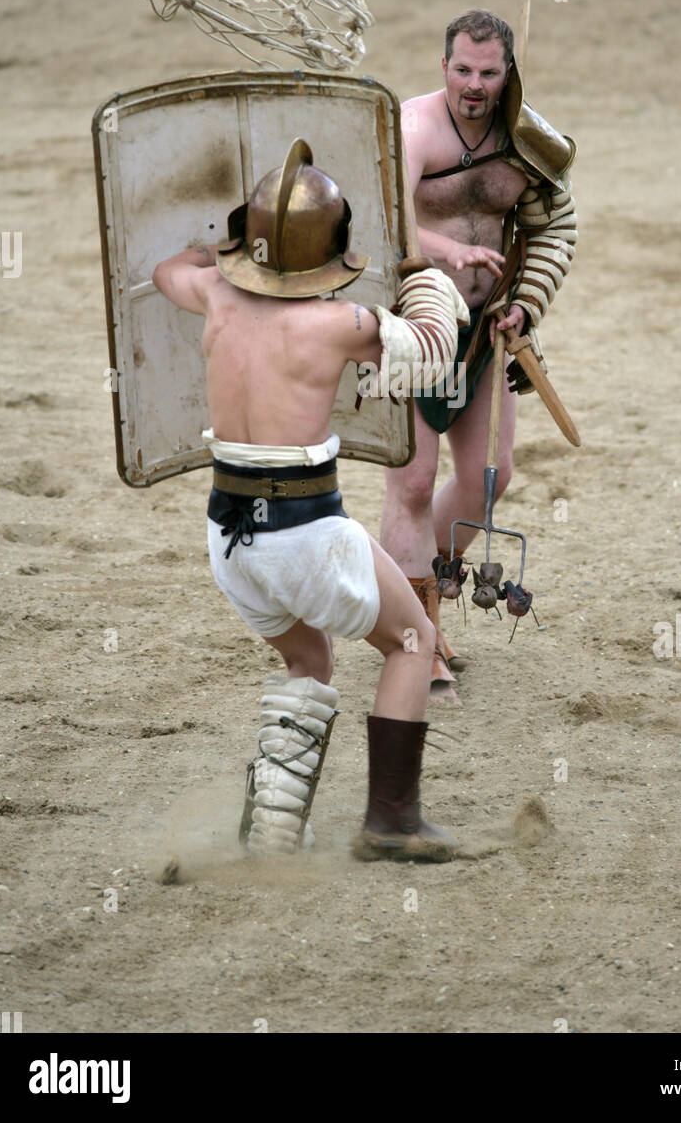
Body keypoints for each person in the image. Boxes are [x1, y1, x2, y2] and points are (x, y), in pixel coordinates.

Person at [152, 138, 469, 862]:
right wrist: (424, 277)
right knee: (413, 640)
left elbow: (165, 268)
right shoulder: (338, 325)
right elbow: (429, 349)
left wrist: (227, 257)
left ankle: (272, 832)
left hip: (230, 540)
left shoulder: (214, 297)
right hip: (304, 533)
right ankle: (392, 820)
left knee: (310, 663)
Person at [382, 9, 577, 703]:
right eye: (462, 69)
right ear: (444, 67)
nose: (474, 84)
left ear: (507, 72)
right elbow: (388, 215)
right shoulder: (410, 127)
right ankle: (419, 638)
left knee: (489, 480)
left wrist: (525, 301)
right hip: (412, 328)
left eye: (488, 73)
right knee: (411, 482)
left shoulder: (527, 138)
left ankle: (403, 591)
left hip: (484, 334)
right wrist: (448, 251)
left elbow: (557, 226)